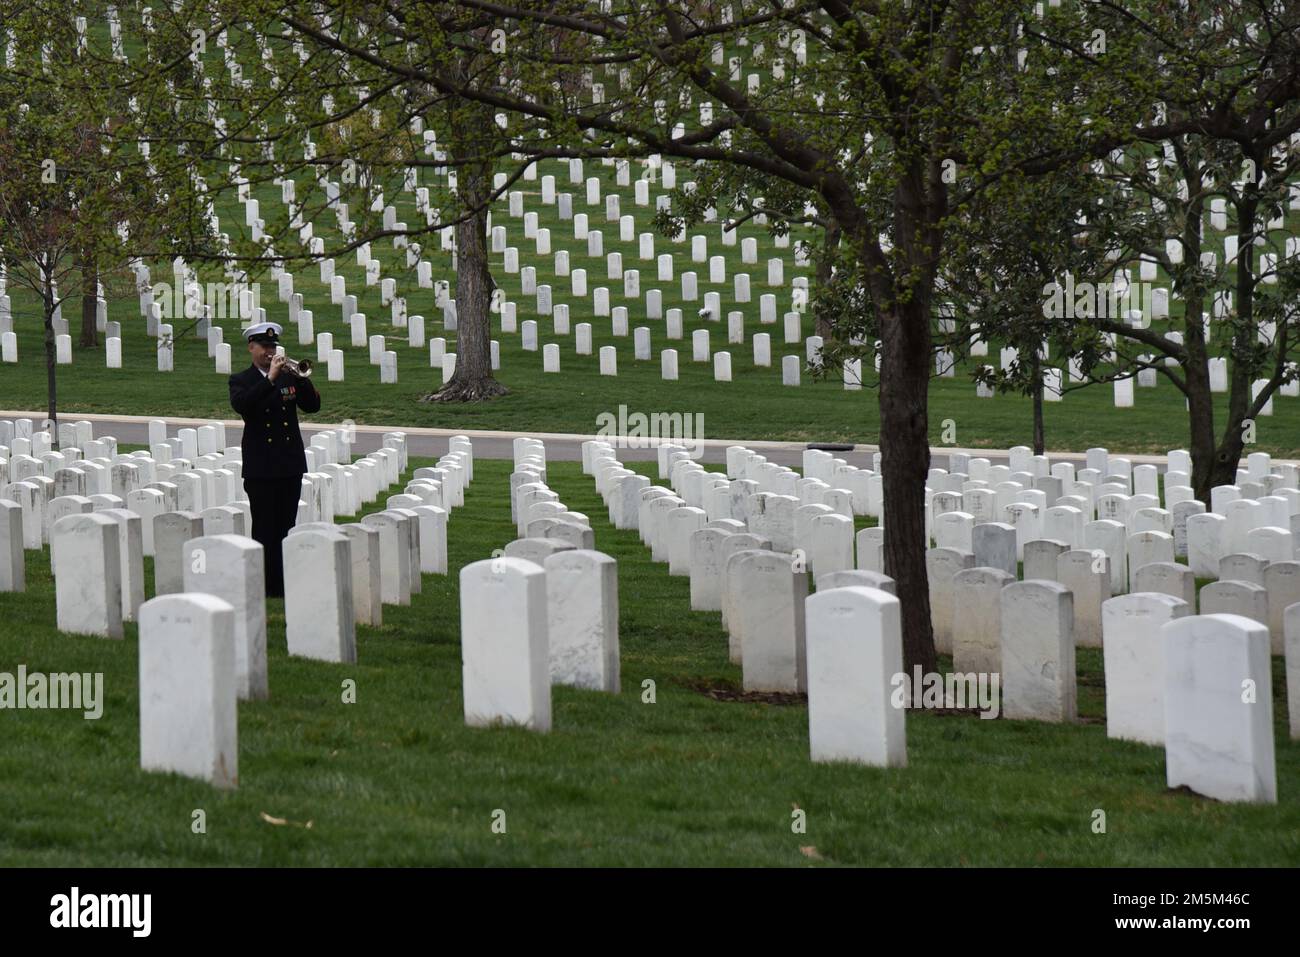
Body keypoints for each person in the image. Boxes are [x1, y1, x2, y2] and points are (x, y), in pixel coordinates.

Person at [228, 322, 320, 597]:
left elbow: (312, 406)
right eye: (263, 347)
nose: (269, 351)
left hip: (289, 463)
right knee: (265, 527)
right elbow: (244, 406)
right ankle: (266, 585)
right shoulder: (241, 380)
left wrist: (301, 377)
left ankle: (283, 583)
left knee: (286, 525)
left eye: (272, 347)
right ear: (251, 348)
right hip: (261, 466)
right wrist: (269, 378)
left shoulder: (288, 376)